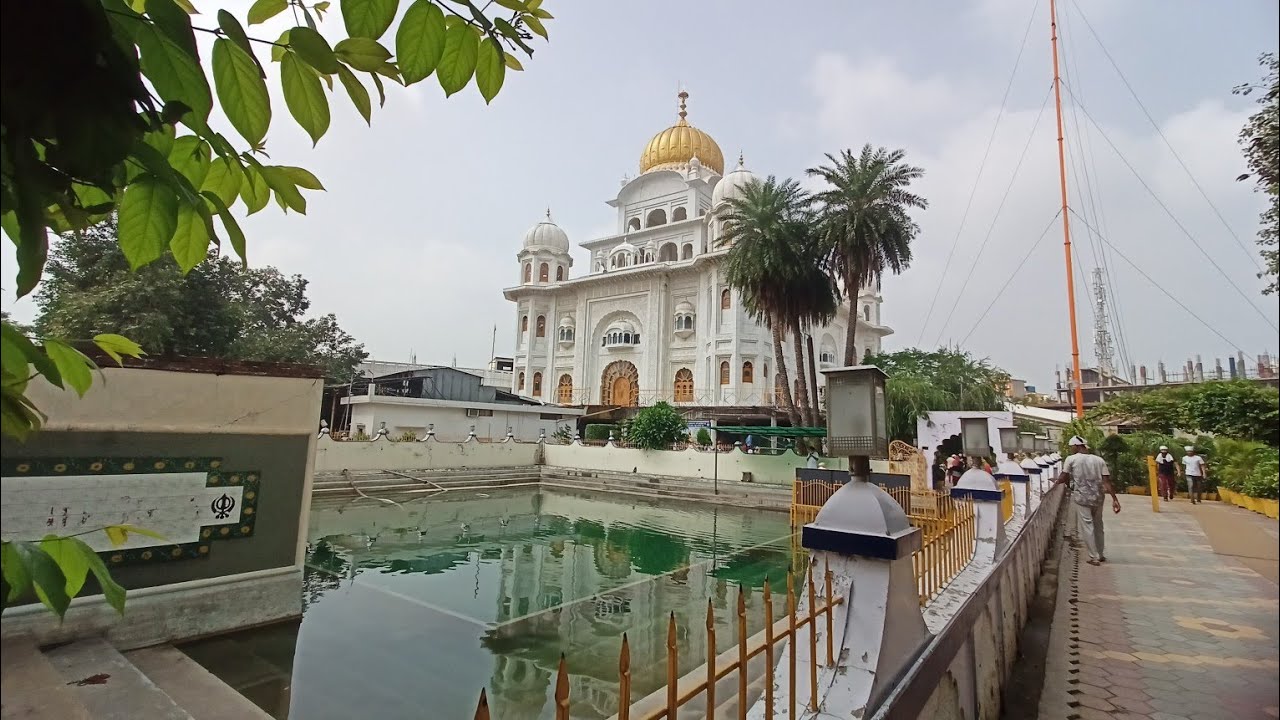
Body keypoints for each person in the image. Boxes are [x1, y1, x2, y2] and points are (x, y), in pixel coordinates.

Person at [1055, 435, 1121, 566]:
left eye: (1072, 446)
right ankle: (1101, 554)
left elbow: (1064, 476)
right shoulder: (1099, 460)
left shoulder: (1071, 459)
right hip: (1098, 497)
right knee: (1098, 525)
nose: (1071, 449)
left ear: (1076, 446)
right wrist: (1115, 499)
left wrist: (1056, 482)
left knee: (1087, 526)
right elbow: (1106, 481)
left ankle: (1093, 556)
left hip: (1082, 497)